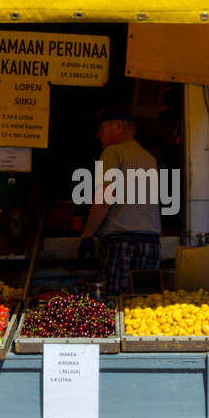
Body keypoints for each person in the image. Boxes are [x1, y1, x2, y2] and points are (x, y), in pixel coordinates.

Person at [78, 107, 162, 296]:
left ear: (118, 126)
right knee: (143, 308)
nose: (98, 134)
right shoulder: (149, 158)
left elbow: (104, 197)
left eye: (102, 128)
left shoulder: (112, 152)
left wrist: (87, 235)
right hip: (151, 246)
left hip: (122, 247)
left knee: (117, 306)